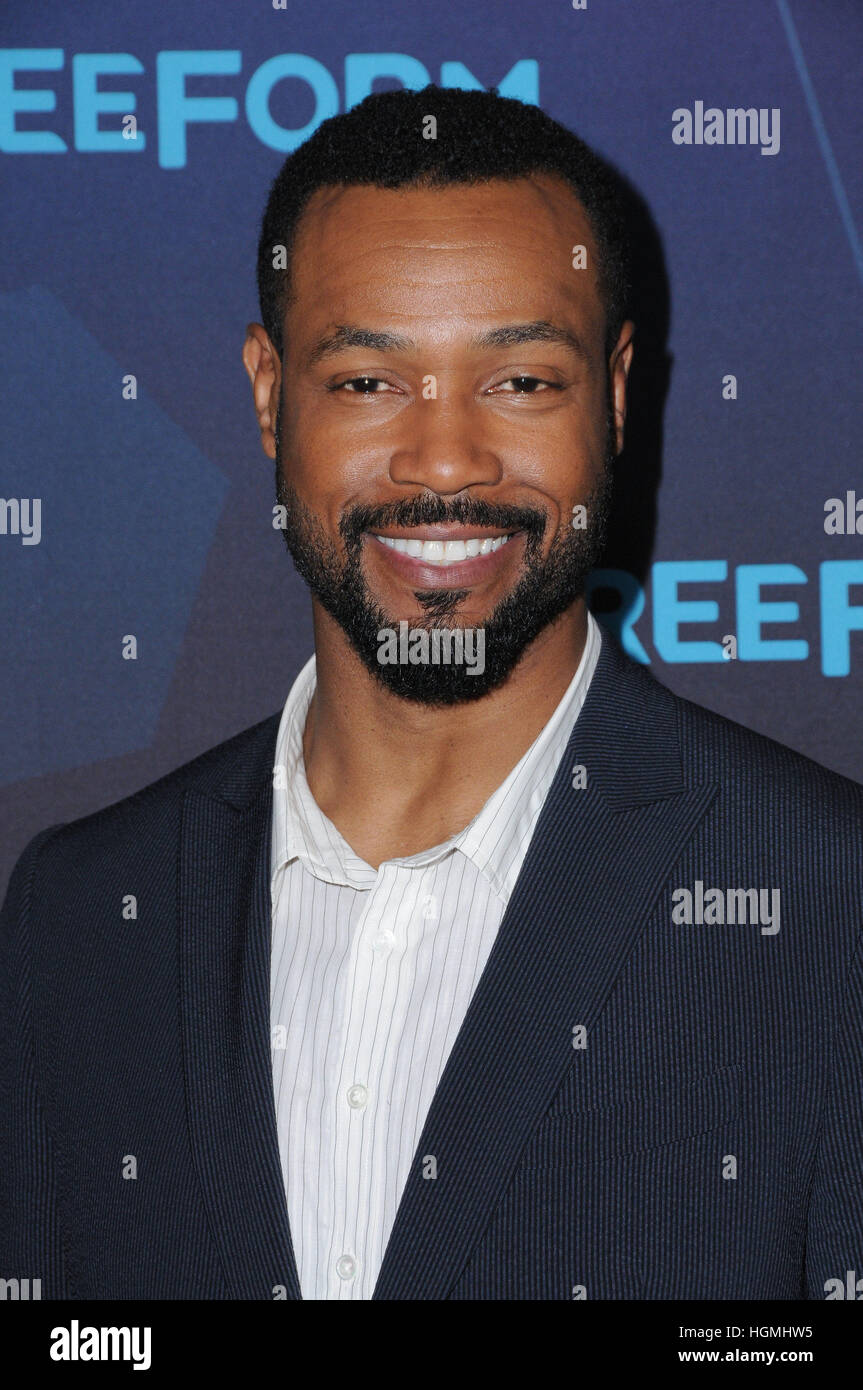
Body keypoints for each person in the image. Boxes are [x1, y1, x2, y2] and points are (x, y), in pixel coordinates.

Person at [1, 85, 861, 1302]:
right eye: (366, 382)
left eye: (518, 381)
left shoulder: (829, 909)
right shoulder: (78, 917)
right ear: (266, 392)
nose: (444, 461)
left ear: (615, 395)